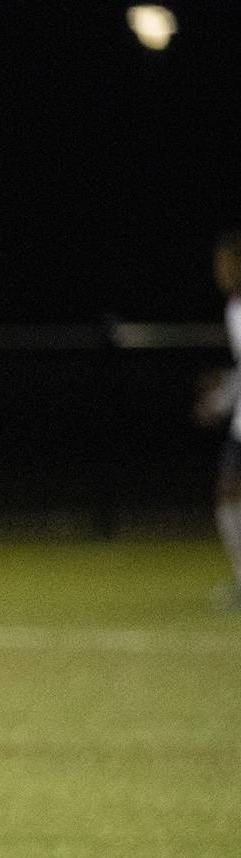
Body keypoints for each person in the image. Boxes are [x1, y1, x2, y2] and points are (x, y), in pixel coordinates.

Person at [194, 231, 241, 610]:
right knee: (227, 494)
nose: (222, 271)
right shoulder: (233, 308)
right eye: (219, 264)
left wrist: (220, 398)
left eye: (228, 263)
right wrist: (222, 393)